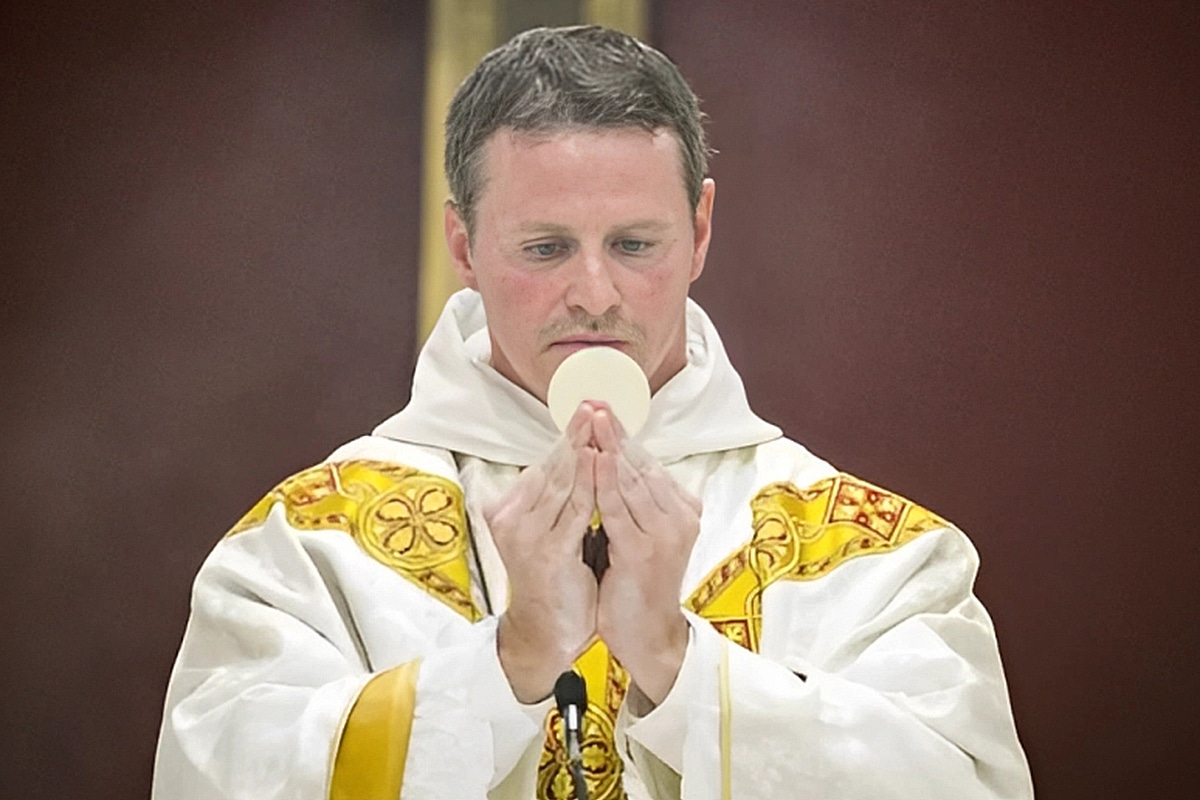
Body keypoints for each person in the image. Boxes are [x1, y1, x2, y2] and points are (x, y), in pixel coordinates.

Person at [152, 25, 1033, 800]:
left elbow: (961, 782)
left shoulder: (871, 558)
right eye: (545, 248)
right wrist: (509, 662)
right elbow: (220, 776)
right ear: (464, 245)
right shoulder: (311, 549)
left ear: (701, 230)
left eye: (634, 244)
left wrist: (680, 665)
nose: (595, 293)